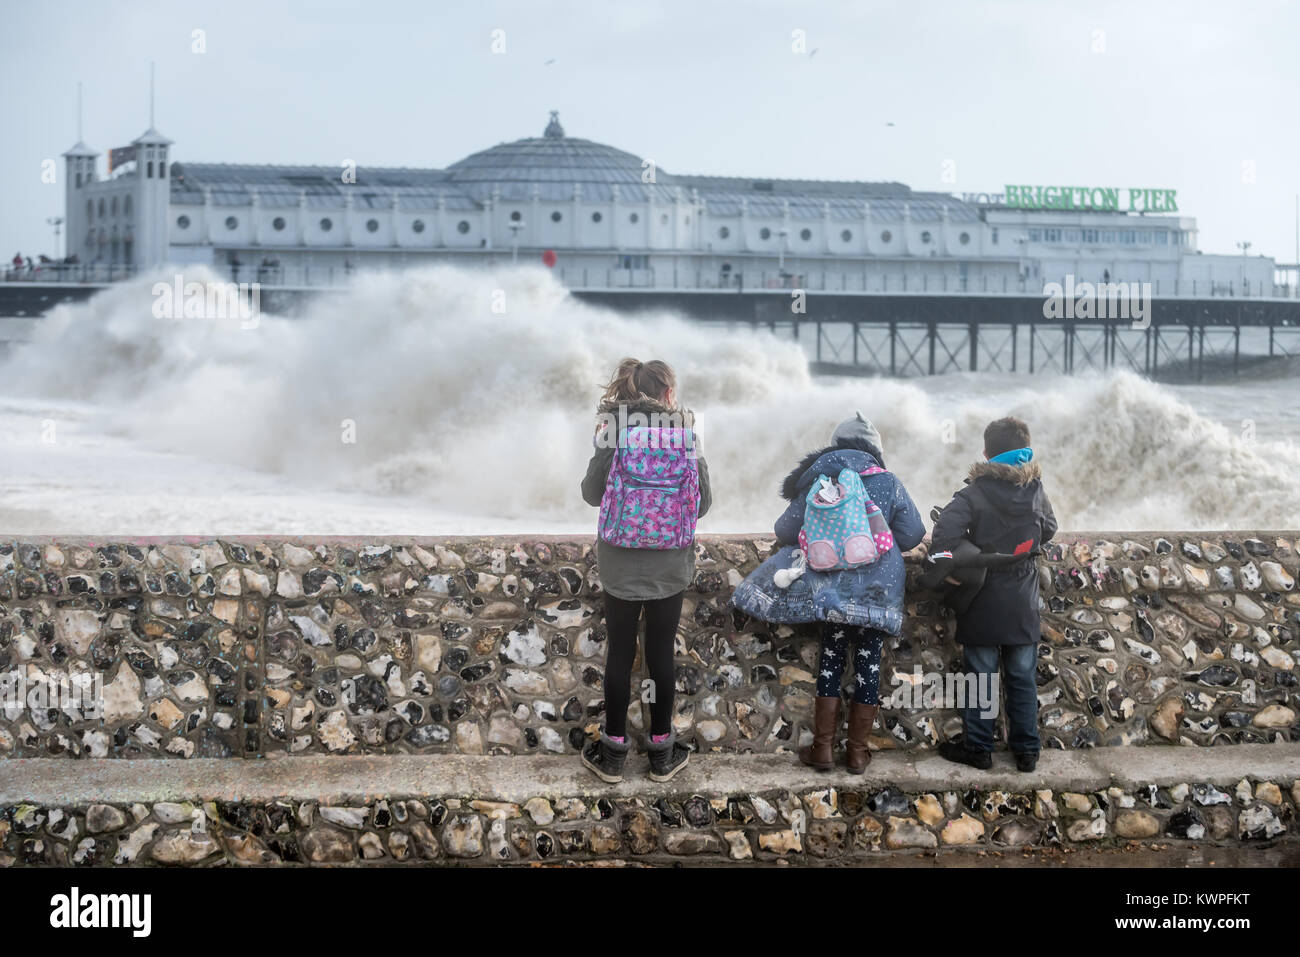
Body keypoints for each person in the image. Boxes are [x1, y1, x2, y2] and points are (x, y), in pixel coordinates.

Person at [731, 413, 925, 773]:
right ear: (875, 452)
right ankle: (856, 752)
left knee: (832, 661)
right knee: (868, 664)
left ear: (837, 445)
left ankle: (821, 749)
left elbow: (785, 529)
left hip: (832, 589)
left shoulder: (820, 479)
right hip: (878, 592)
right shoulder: (888, 482)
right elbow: (913, 534)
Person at [579, 358, 712, 783]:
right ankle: (662, 753)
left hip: (620, 560)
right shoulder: (685, 433)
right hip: (670, 563)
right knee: (660, 655)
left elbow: (590, 493)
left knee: (619, 653)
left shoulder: (614, 429)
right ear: (668, 394)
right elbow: (703, 503)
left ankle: (613, 753)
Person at [931, 416, 1057, 772]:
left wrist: (968, 556)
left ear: (986, 454)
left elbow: (943, 538)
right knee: (1021, 678)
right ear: (1026, 451)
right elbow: (1049, 529)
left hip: (983, 597)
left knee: (981, 677)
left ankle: (979, 748)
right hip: (1022, 600)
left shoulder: (973, 493)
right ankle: (1027, 751)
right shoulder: (1036, 491)